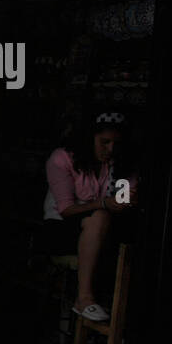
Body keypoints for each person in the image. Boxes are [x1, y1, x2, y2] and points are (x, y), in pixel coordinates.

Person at [42, 112, 135, 321]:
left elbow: (124, 199)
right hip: (61, 228)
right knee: (99, 217)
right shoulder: (62, 158)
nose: (110, 149)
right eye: (104, 142)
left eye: (115, 144)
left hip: (103, 230)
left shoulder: (117, 163)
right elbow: (66, 208)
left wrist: (126, 197)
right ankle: (83, 299)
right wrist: (103, 203)